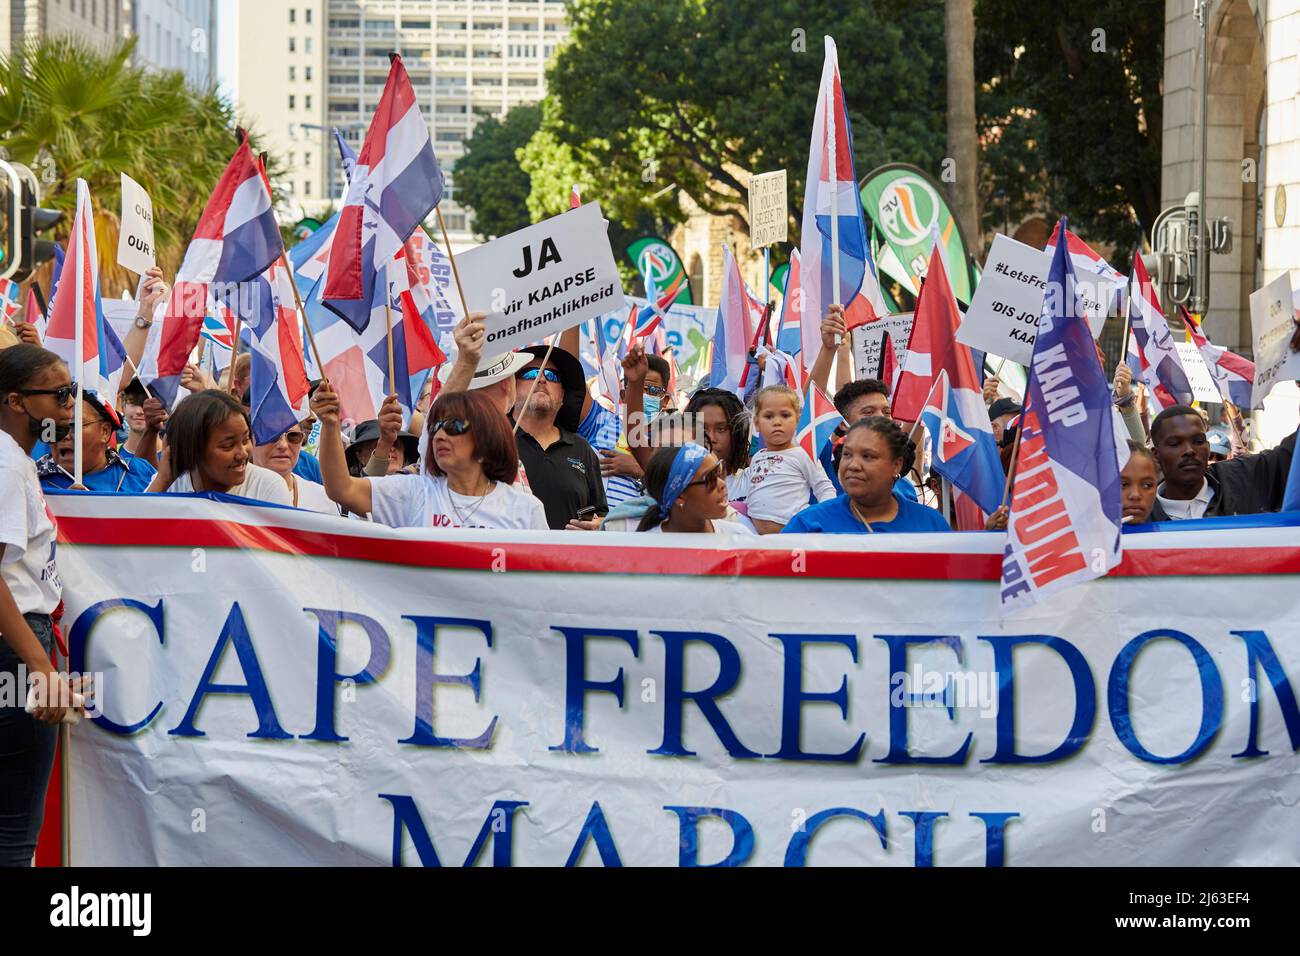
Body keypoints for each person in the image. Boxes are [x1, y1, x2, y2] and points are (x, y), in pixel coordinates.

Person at [0, 344, 83, 866]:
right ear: (16, 401)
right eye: (59, 395)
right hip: (15, 648)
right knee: (13, 830)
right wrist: (38, 665)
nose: (70, 408)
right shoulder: (7, 467)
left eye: (73, 393)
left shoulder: (17, 462)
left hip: (17, 644)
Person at [312, 384, 546, 530]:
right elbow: (341, 489)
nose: (440, 435)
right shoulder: (414, 493)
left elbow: (542, 583)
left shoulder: (526, 510)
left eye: (453, 425)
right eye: (436, 427)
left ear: (488, 435)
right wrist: (330, 424)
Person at [783, 417, 951, 534]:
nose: (853, 465)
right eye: (847, 455)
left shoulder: (930, 524)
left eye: (868, 456)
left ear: (896, 465)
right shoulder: (808, 524)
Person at [512, 345, 607, 530]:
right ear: (511, 388)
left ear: (562, 395)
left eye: (552, 376)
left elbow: (601, 514)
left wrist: (598, 526)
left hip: (567, 557)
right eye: (531, 374)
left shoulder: (582, 449)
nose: (541, 380)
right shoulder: (492, 438)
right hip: (507, 556)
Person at [1148, 403, 1297, 520]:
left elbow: (1292, 453)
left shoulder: (1241, 478)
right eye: (1175, 443)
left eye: (1198, 441)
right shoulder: (1141, 514)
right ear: (1156, 455)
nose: (1189, 450)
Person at [146, 389, 292, 504]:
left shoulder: (268, 487)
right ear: (192, 448)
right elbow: (132, 529)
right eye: (228, 446)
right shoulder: (168, 484)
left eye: (245, 440)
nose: (242, 454)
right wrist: (163, 481)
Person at [742, 384, 836, 533]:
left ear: (797, 421)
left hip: (793, 533)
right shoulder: (757, 457)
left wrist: (823, 519)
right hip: (755, 535)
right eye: (768, 416)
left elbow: (824, 488)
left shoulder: (803, 454)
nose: (777, 422)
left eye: (785, 415)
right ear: (757, 424)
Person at [37, 392, 156, 493]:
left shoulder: (139, 472)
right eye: (57, 427)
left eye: (74, 426)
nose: (64, 436)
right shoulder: (31, 482)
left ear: (105, 431)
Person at [636, 443, 754, 534]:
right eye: (709, 478)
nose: (722, 484)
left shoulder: (740, 537)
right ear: (679, 496)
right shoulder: (647, 547)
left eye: (719, 472)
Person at [251, 420, 339, 514]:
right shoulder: (234, 492)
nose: (283, 445)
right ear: (250, 440)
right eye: (272, 435)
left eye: (293, 436)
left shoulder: (323, 500)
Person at [684, 386, 752, 501]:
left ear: (738, 433)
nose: (711, 438)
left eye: (721, 429)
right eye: (703, 430)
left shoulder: (753, 481)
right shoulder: (678, 485)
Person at [1121, 441, 1159, 525]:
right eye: (1123, 485)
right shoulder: (1087, 535)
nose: (1135, 495)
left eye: (1147, 485)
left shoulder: (1174, 534)